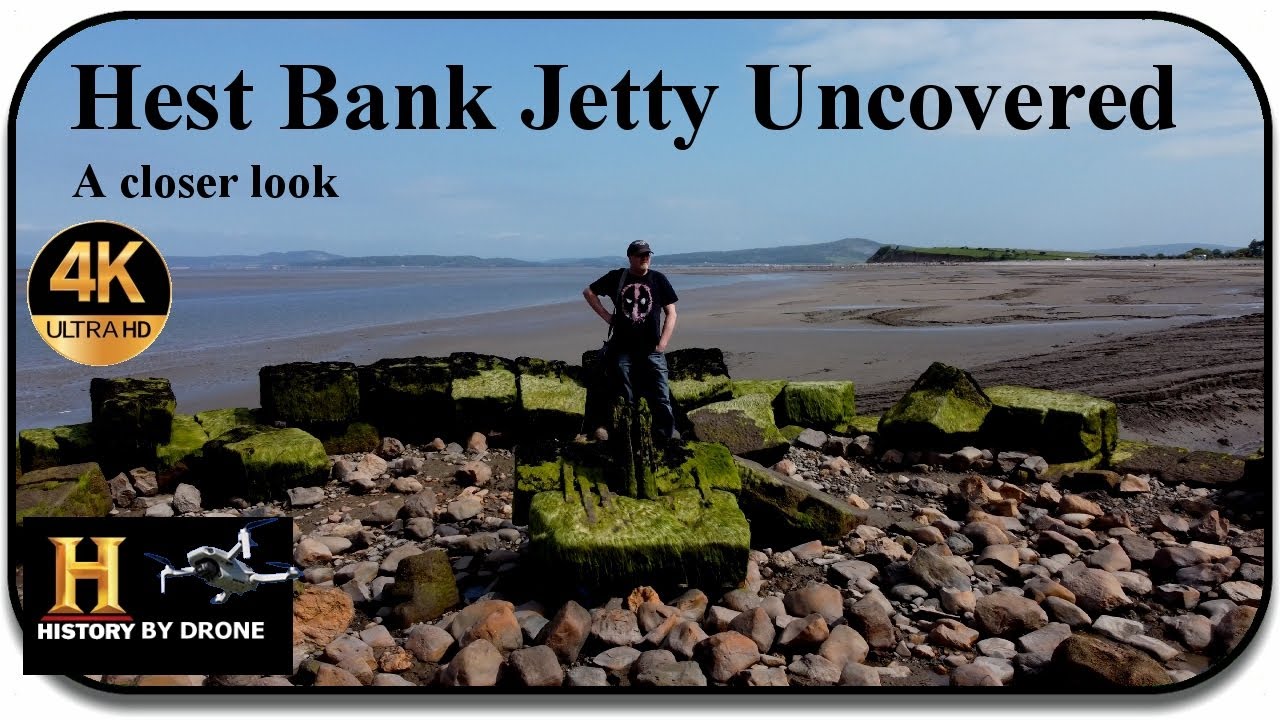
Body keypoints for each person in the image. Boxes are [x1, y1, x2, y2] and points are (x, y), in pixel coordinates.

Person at [583, 240, 680, 442]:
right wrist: (607, 316)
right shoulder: (618, 277)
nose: (645, 258)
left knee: (661, 394)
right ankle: (630, 433)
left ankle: (666, 436)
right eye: (640, 255)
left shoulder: (658, 279)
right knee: (626, 394)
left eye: (647, 254)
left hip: (652, 348)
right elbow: (589, 292)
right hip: (622, 347)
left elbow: (671, 313)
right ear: (630, 257)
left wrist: (663, 343)